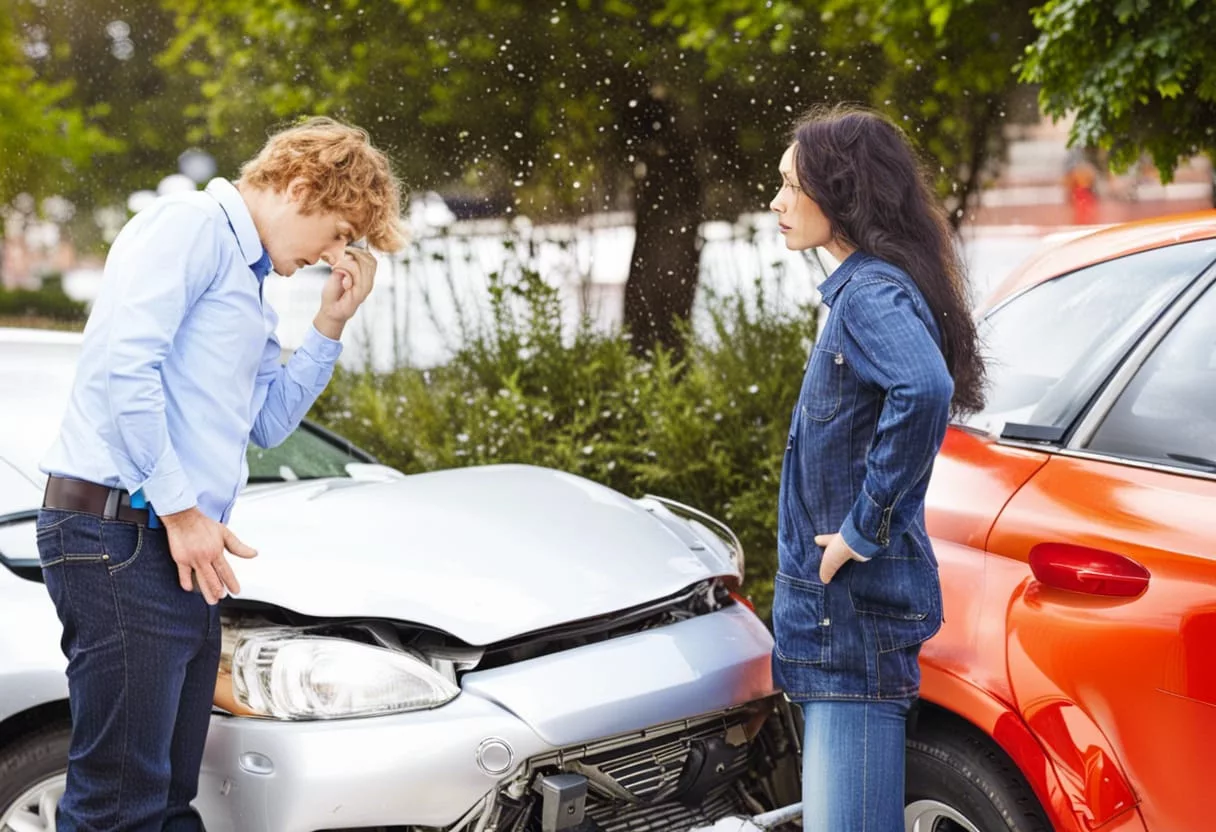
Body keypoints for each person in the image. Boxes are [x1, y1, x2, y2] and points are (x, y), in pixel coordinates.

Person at [37, 117, 403, 831]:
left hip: (169, 547)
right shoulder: (189, 227)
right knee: (119, 809)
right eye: (338, 232)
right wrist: (181, 513)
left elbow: (264, 425)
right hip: (122, 536)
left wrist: (329, 325)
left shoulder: (251, 282)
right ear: (302, 185)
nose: (335, 256)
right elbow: (125, 373)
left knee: (167, 803)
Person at [767, 105, 985, 831]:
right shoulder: (871, 288)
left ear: (840, 190)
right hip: (846, 621)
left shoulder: (869, 293)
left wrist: (863, 530)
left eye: (791, 184)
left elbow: (923, 389)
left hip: (851, 622)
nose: (777, 202)